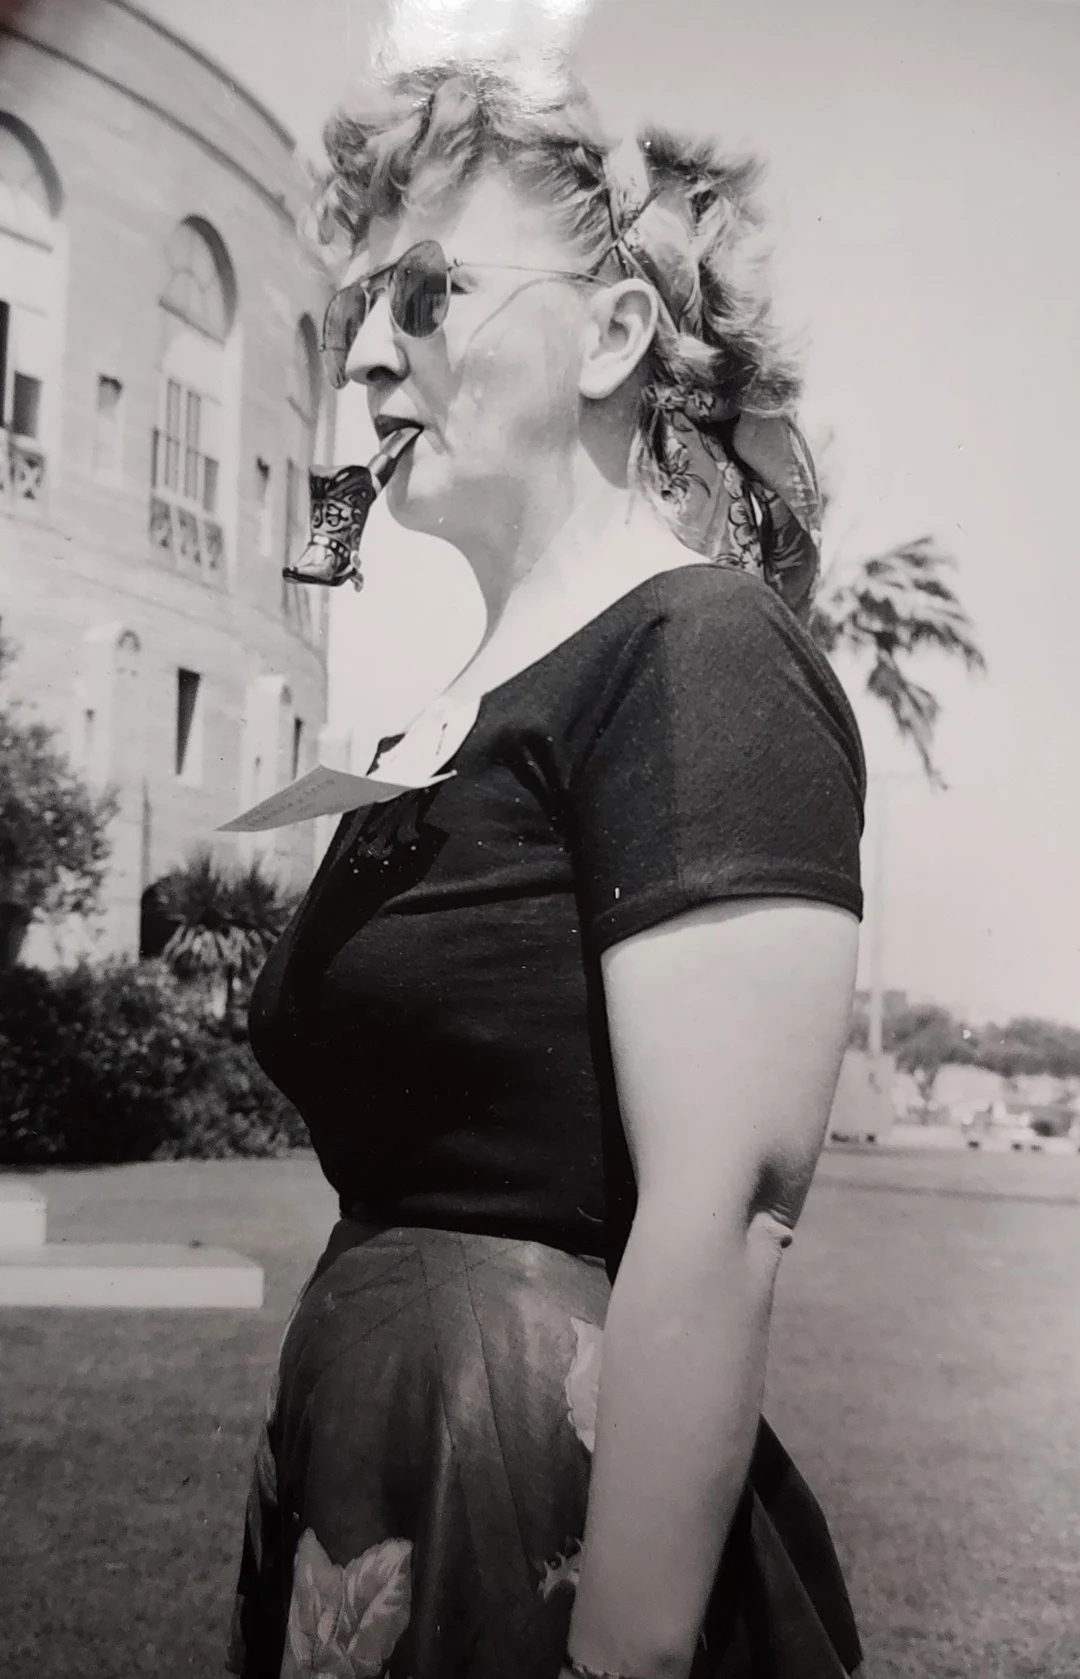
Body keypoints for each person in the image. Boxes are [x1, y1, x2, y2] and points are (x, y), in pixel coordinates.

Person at [228, 58, 866, 1679]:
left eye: (428, 292)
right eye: (358, 304)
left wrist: (620, 1658)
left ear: (609, 338)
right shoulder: (462, 700)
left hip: (541, 1517)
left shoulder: (699, 651)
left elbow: (723, 1219)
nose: (371, 349)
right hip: (379, 1471)